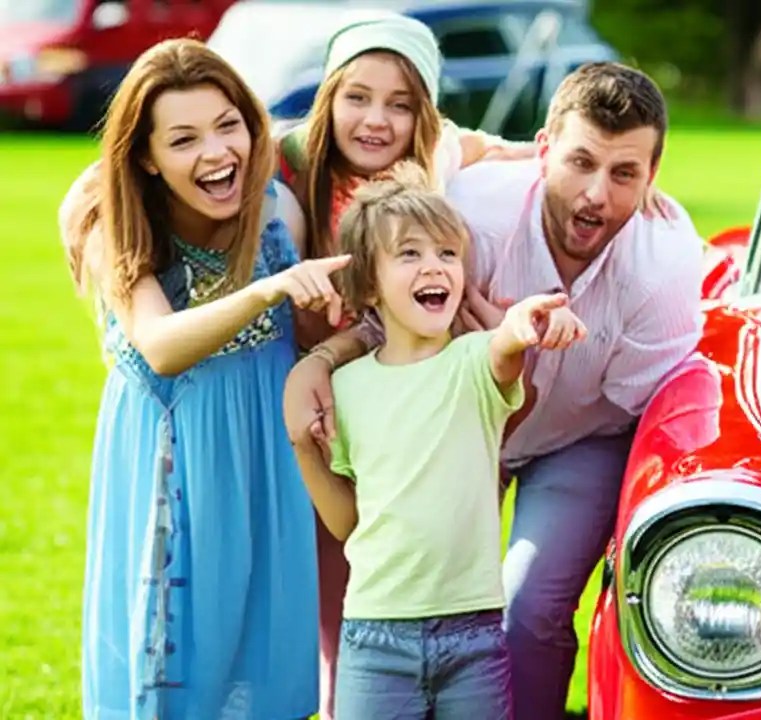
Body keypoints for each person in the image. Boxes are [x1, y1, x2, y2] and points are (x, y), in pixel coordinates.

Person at [283, 61, 705, 719]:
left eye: (625, 174)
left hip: (576, 438)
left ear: (653, 175)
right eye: (580, 162)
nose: (597, 194)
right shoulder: (472, 212)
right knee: (405, 581)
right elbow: (389, 309)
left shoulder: (667, 266)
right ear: (542, 151)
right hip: (454, 422)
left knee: (532, 603)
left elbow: (642, 416)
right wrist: (325, 358)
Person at [72, 37, 348, 718]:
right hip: (177, 477)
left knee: (265, 663)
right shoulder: (122, 231)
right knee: (175, 666)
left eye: (228, 126)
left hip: (267, 470)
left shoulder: (278, 213)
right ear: (147, 157)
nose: (216, 153)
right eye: (184, 139)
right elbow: (162, 346)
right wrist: (266, 292)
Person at [293, 163, 586, 719]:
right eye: (410, 254)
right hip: (375, 638)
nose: (435, 267)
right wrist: (304, 449)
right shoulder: (346, 388)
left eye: (447, 254)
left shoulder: (472, 363)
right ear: (368, 285)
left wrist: (523, 324)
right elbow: (348, 522)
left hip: (472, 638)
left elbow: (503, 349)